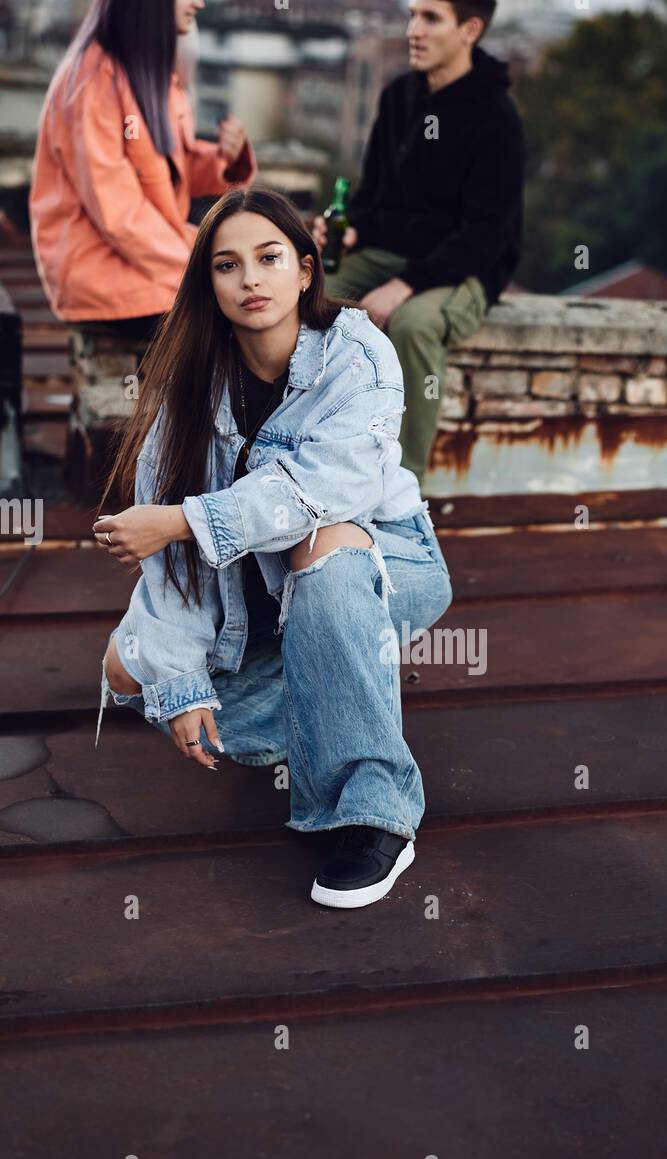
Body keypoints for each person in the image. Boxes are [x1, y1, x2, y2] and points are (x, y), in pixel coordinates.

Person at [92, 187, 453, 910]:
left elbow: (331, 487)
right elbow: (174, 572)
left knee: (323, 547)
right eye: (227, 265)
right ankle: (332, 691)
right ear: (210, 284)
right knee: (128, 674)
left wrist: (183, 519)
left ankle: (371, 812)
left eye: (269, 258)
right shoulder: (190, 385)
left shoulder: (358, 352)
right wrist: (183, 684)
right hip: (252, 597)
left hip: (384, 557)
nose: (250, 279)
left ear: (307, 270)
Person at [313, 0, 525, 488]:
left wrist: (405, 285)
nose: (414, 30)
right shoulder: (399, 96)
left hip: (464, 267)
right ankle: (315, 458)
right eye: (413, 15)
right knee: (307, 300)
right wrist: (349, 230)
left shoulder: (496, 116)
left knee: (413, 324)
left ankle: (404, 490)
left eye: (431, 18)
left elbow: (486, 234)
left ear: (470, 29)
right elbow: (371, 199)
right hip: (389, 253)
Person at [29, 0, 256, 350]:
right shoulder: (93, 81)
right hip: (107, 275)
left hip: (147, 263)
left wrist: (228, 159)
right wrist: (200, 263)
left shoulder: (152, 73)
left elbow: (167, 170)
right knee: (245, 315)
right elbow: (118, 213)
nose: (200, 3)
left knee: (262, 299)